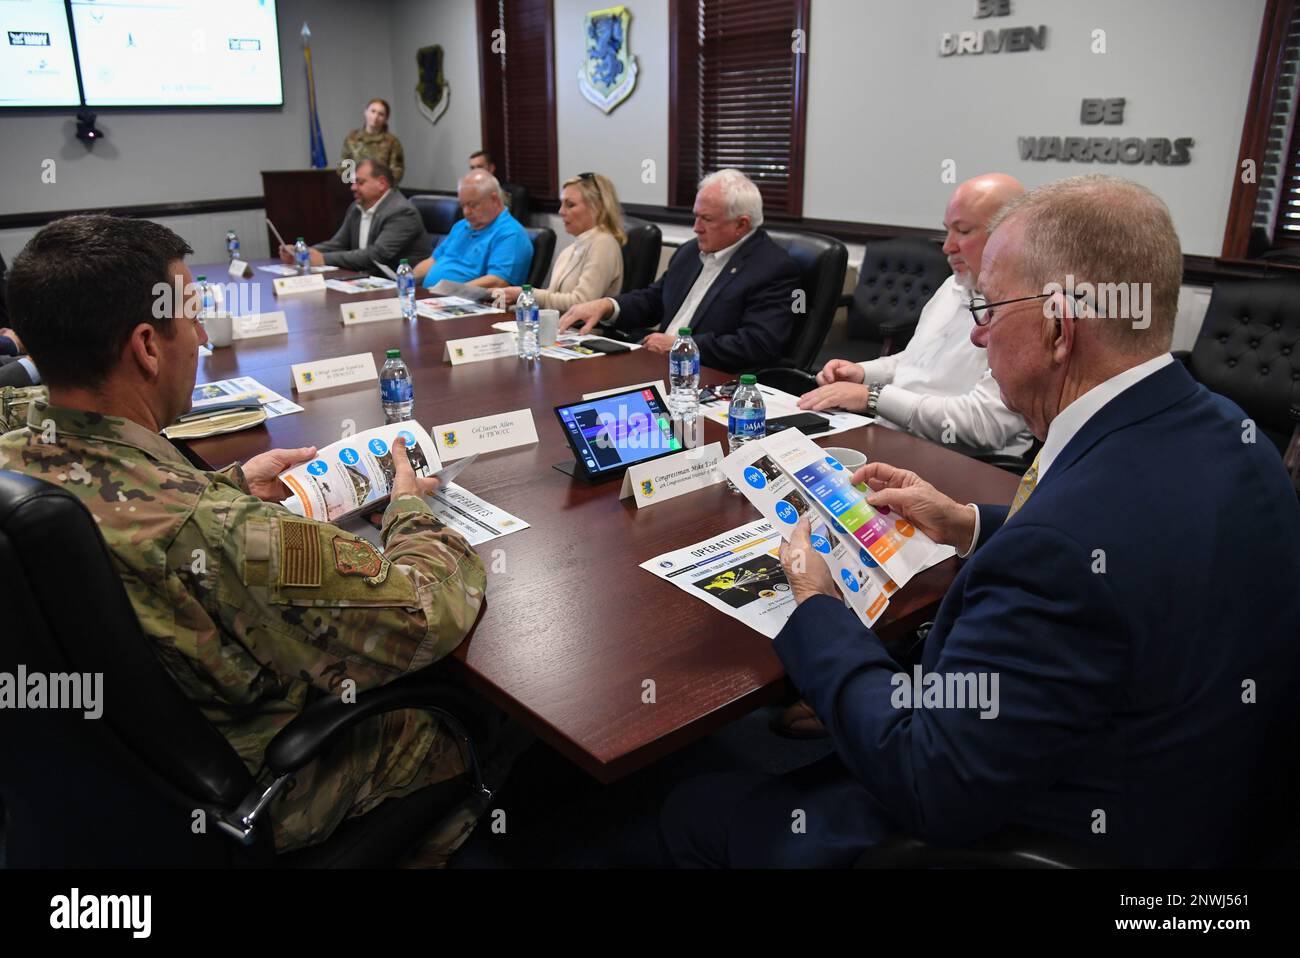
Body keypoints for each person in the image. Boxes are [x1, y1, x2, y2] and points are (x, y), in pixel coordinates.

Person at [660, 175, 1300, 868]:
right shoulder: (1236, 439)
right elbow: (1129, 552)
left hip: (1049, 827)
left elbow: (926, 781)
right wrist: (966, 522)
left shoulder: (1059, 551)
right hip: (1208, 798)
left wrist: (816, 606)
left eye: (991, 308)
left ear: (1059, 328)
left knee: (691, 809)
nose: (977, 330)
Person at [0, 215, 493, 866]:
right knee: (483, 723)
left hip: (87, 784)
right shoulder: (216, 532)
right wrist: (406, 507)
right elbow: (425, 614)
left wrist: (232, 483)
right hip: (249, 782)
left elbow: (131, 508)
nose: (203, 336)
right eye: (195, 317)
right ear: (148, 346)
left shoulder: (17, 444)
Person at [798, 174, 1032, 460]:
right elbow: (916, 361)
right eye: (948, 231)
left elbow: (985, 425)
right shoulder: (954, 286)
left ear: (1008, 236)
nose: (948, 246)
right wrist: (863, 373)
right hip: (893, 432)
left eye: (963, 231)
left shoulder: (1024, 309)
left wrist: (872, 397)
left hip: (960, 459)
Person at [559, 169, 799, 373]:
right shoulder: (690, 252)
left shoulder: (772, 267)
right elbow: (654, 299)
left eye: (706, 219)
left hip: (705, 376)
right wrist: (608, 306)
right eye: (695, 217)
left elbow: (758, 344)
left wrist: (682, 346)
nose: (696, 228)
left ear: (741, 224)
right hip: (656, 363)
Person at [495, 172, 624, 311]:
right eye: (561, 204)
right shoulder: (569, 250)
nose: (561, 211)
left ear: (597, 207)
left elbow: (583, 303)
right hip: (560, 328)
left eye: (570, 205)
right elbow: (551, 302)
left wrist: (526, 294)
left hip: (585, 331)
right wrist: (516, 306)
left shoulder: (604, 243)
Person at [278, 159, 427, 274]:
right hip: (366, 279)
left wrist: (323, 259)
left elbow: (376, 255)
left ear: (381, 183)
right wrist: (303, 253)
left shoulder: (401, 211)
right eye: (353, 182)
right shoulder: (356, 208)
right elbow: (337, 244)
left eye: (360, 182)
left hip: (400, 283)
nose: (353, 187)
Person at [414, 170, 533, 289]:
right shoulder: (461, 226)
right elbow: (432, 261)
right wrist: (406, 281)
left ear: (494, 199)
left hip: (464, 301)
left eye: (472, 205)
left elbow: (498, 281)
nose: (466, 212)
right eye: (463, 205)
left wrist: (448, 292)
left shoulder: (510, 234)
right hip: (432, 298)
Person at [341, 97, 404, 185]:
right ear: (365, 112)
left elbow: (397, 171)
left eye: (381, 114)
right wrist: (357, 183)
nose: (375, 117)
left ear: (386, 119)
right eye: (373, 111)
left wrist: (381, 185)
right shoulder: (352, 139)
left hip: (382, 190)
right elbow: (344, 167)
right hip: (356, 189)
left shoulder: (392, 142)